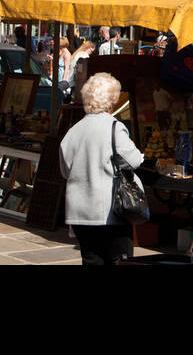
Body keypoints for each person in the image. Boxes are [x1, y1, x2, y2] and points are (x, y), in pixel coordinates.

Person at [59, 72, 144, 265]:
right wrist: (140, 154)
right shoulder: (115, 127)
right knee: (119, 260)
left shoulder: (73, 131)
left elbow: (65, 171)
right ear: (112, 100)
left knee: (91, 260)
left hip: (80, 214)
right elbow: (134, 161)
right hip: (109, 211)